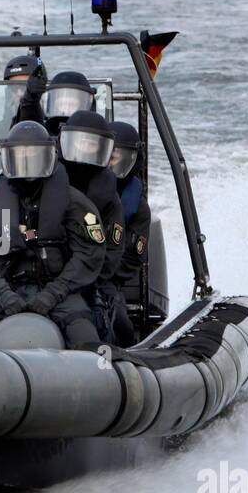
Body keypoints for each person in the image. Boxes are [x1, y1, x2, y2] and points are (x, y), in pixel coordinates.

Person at [0, 121, 105, 353]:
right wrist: (3, 294)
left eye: (35, 155)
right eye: (22, 156)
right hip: (5, 290)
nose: (28, 163)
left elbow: (87, 255)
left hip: (60, 291)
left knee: (89, 344)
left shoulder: (74, 204)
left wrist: (52, 294)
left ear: (49, 157)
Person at [58, 109, 125, 341]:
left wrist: (84, 279)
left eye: (91, 144)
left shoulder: (108, 195)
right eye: (80, 143)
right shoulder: (50, 180)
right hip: (50, 276)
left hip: (92, 278)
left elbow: (113, 252)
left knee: (118, 329)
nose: (84, 150)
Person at [107, 122, 151, 347]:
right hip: (69, 273)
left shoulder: (137, 207)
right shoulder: (78, 190)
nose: (108, 162)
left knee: (121, 326)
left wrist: (100, 272)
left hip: (107, 278)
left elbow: (134, 257)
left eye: (114, 157)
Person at [0, 55, 48, 174]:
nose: (20, 93)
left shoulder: (53, 126)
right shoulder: (0, 128)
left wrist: (30, 101)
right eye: (14, 88)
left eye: (26, 87)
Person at [40, 70, 97, 136]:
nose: (66, 109)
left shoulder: (95, 134)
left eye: (72, 105)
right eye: (61, 104)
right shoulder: (43, 131)